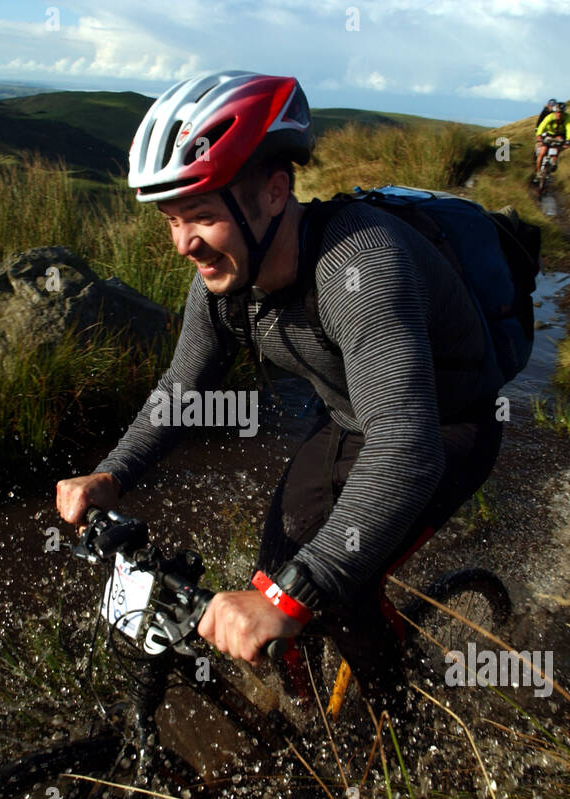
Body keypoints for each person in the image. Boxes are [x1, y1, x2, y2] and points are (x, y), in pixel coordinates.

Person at [54, 71, 505, 714]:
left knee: (333, 585)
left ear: (273, 193)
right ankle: (308, 706)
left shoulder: (359, 264)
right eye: (172, 220)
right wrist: (111, 474)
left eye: (202, 215)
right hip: (355, 420)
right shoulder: (224, 277)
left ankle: (397, 729)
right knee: (277, 561)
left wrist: (293, 597)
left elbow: (407, 448)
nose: (184, 244)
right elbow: (183, 388)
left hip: (442, 426)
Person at [533, 101, 570, 182]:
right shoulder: (550, 117)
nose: (559, 114)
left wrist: (568, 140)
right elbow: (542, 126)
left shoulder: (567, 118)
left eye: (561, 113)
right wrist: (539, 135)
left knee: (557, 148)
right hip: (549, 134)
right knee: (542, 152)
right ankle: (538, 172)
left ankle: (554, 164)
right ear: (554, 112)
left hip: (560, 135)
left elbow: (569, 129)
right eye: (557, 112)